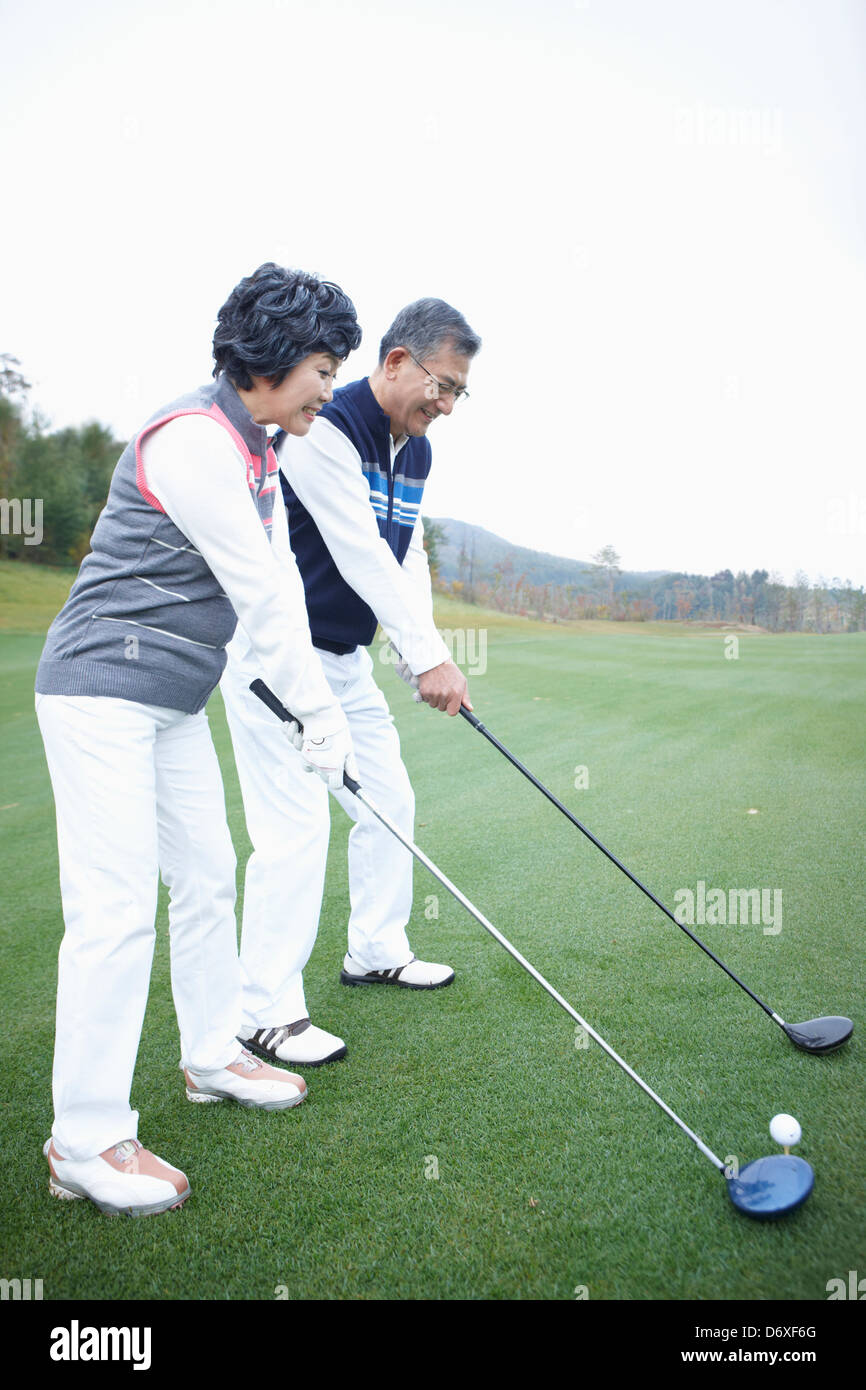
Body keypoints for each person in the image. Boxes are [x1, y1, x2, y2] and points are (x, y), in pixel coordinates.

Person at [34, 262, 361, 1216]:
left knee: (210, 873)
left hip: (171, 700)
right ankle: (85, 1140)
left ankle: (213, 1052)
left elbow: (275, 593)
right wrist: (324, 711)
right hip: (100, 692)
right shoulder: (192, 440)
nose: (329, 388)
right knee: (115, 907)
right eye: (323, 367)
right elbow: (259, 591)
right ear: (275, 357)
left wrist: (313, 710)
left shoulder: (259, 447)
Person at [220, 298, 481, 1068]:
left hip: (342, 658)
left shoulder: (417, 452)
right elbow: (358, 549)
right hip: (278, 660)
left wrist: (414, 651)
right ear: (397, 361)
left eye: (462, 391)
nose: (448, 402)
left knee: (390, 797)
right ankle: (264, 1012)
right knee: (295, 828)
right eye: (443, 383)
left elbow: (404, 555)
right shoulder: (325, 431)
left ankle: (374, 949)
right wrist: (430, 655)